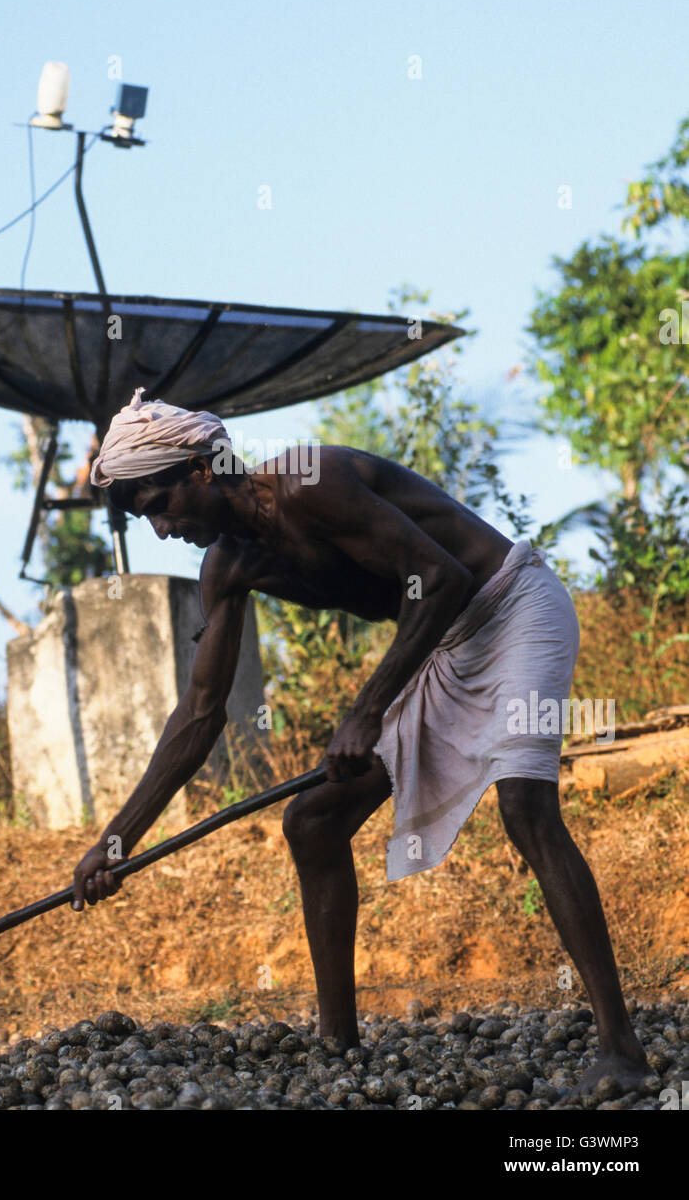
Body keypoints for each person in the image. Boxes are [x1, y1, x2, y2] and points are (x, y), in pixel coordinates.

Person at [71, 388, 648, 1096]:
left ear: (198, 468)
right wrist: (118, 839)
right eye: (144, 517)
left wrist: (366, 712)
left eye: (158, 504)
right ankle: (339, 1045)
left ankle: (620, 1050)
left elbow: (440, 577)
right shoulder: (227, 569)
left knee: (524, 809)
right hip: (440, 647)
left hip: (509, 607)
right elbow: (199, 712)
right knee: (312, 820)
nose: (160, 528)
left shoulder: (313, 481)